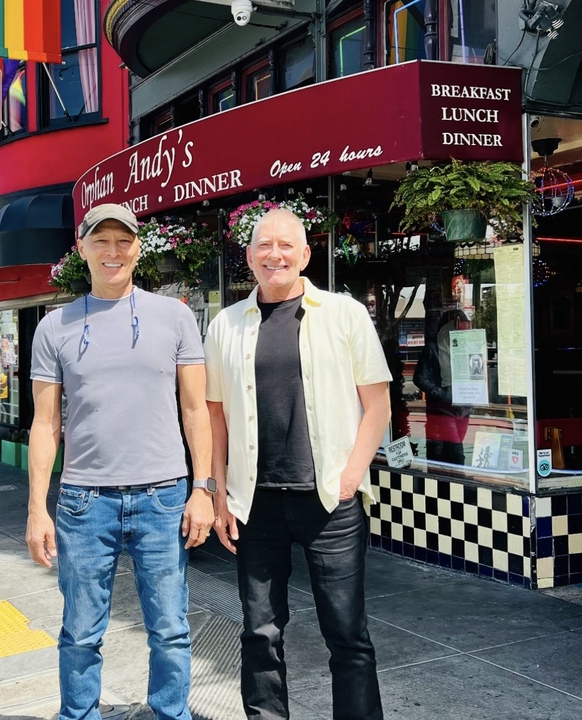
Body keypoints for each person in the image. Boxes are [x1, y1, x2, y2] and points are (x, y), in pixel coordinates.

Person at [26, 203, 215, 720]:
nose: (113, 252)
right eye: (101, 241)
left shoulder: (174, 315)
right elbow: (46, 424)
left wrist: (204, 489)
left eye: (123, 241)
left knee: (171, 630)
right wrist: (37, 508)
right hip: (85, 503)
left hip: (164, 497)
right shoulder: (54, 326)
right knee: (81, 634)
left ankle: (169, 714)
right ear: (82, 248)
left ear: (138, 248)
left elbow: (196, 410)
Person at [204, 208, 391, 720]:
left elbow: (378, 405)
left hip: (330, 500)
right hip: (255, 503)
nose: (275, 254)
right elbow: (214, 416)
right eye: (264, 245)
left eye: (286, 245)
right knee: (259, 632)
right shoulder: (225, 325)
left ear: (306, 254)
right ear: (248, 257)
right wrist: (218, 492)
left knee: (348, 634)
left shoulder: (344, 313)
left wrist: (352, 474)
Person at [414, 308, 472, 465]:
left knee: (454, 447)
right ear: (448, 329)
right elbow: (419, 378)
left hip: (464, 407)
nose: (463, 334)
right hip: (443, 409)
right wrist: (441, 393)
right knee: (456, 450)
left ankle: (450, 483)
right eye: (459, 329)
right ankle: (459, 485)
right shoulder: (433, 348)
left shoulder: (465, 348)